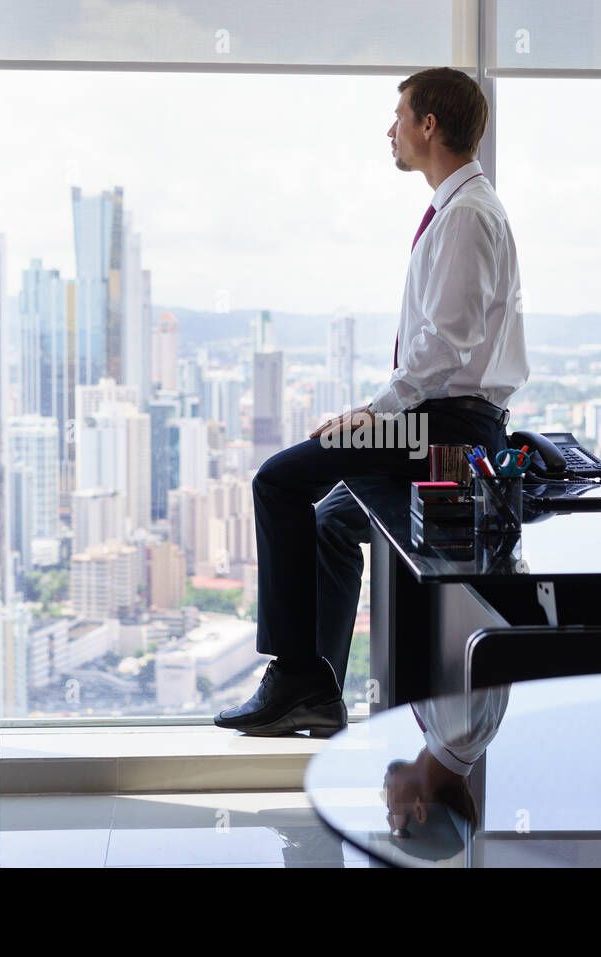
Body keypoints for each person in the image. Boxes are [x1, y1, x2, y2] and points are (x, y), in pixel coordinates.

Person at [215, 67, 527, 736]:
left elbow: (442, 350)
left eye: (399, 116)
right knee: (330, 520)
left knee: (276, 480)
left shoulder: (468, 216)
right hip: (437, 421)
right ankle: (316, 690)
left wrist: (373, 414)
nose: (390, 130)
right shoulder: (459, 208)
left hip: (443, 430)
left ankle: (294, 676)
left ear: (429, 126)